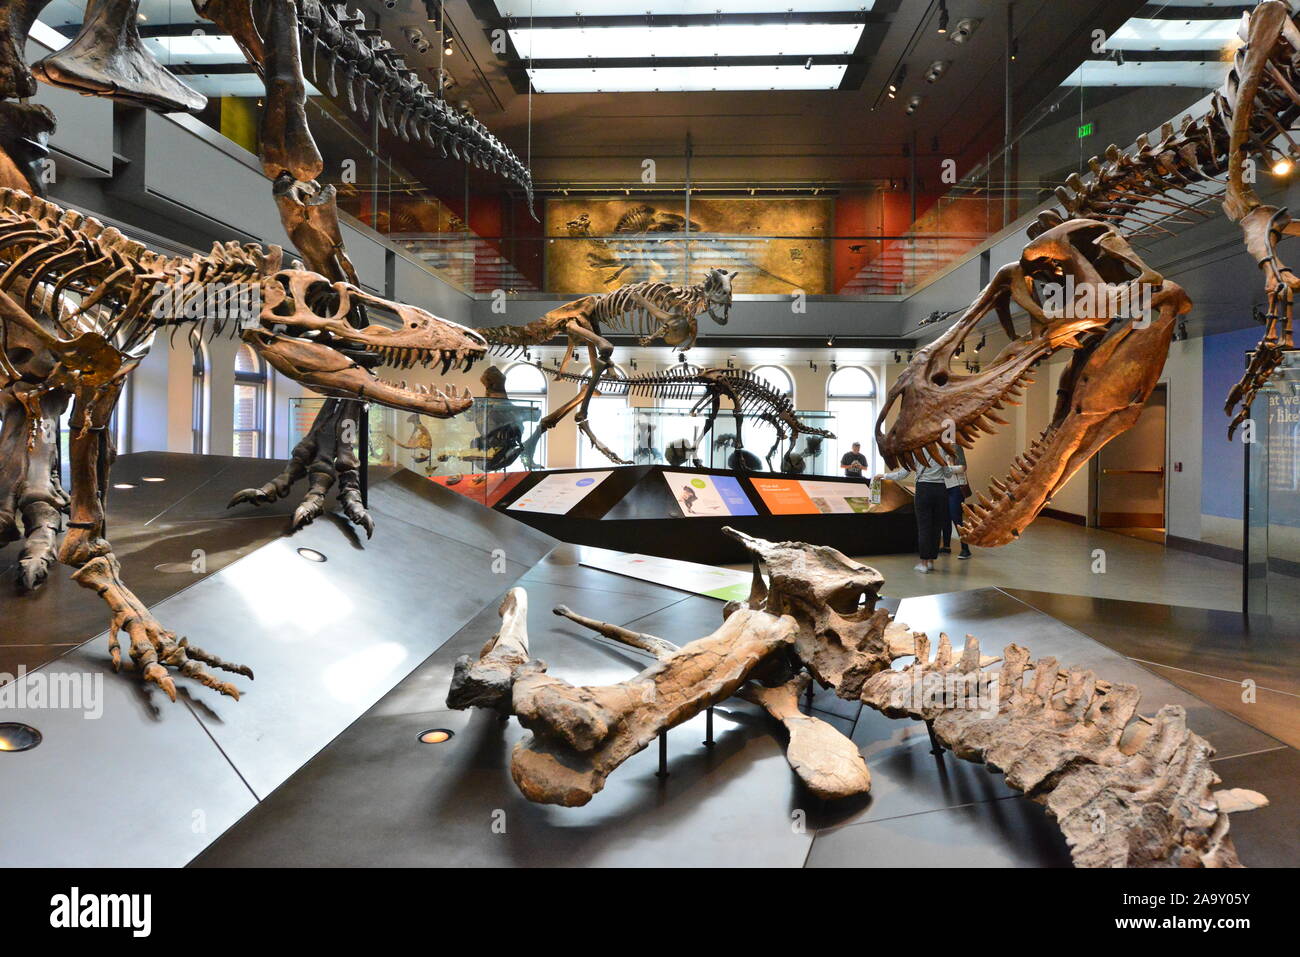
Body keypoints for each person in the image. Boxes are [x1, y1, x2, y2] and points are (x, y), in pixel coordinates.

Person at [876, 451, 951, 573]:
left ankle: (924, 564)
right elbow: (948, 474)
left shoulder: (916, 452)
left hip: (923, 489)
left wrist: (884, 475)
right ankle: (931, 561)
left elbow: (902, 474)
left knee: (924, 527)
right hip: (940, 490)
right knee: (936, 527)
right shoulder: (942, 451)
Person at [940, 446, 973, 560]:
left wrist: (945, 468)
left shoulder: (955, 446)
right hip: (944, 487)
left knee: (956, 517)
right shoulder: (936, 447)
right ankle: (946, 546)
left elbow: (963, 467)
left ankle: (965, 549)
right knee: (945, 517)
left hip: (956, 487)